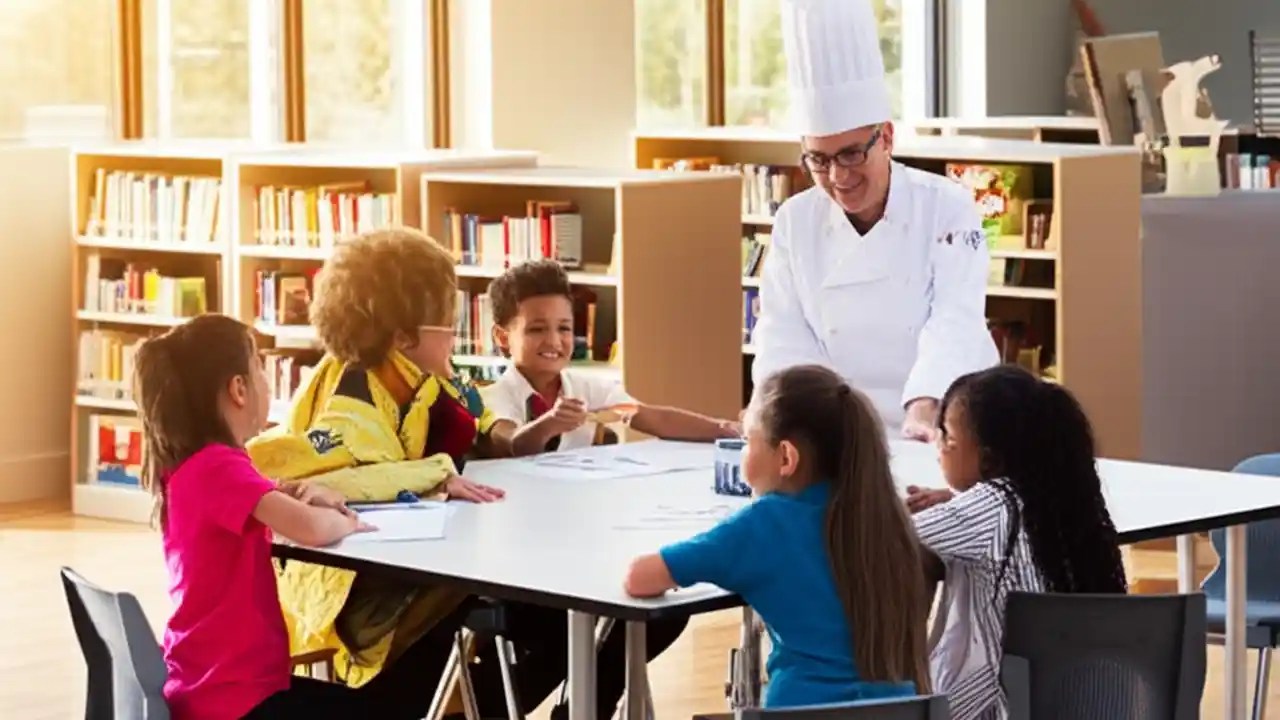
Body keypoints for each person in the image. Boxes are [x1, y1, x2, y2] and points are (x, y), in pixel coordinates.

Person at [246, 227, 518, 717]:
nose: (455, 336)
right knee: (508, 593)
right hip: (352, 589)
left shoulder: (409, 374)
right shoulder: (353, 403)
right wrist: (431, 473)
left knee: (513, 596)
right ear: (403, 336)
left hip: (390, 558)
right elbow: (304, 479)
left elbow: (475, 410)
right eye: (447, 324)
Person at [752, 0, 998, 441]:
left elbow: (955, 321)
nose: (837, 176)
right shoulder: (794, 221)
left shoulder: (948, 206)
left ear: (886, 137)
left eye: (851, 154)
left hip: (951, 424)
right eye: (819, 159)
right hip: (844, 434)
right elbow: (783, 336)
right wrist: (785, 418)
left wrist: (926, 406)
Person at [625, 365, 931, 709]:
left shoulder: (763, 525)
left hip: (800, 708)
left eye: (748, 441)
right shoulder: (888, 517)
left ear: (786, 457)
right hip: (903, 710)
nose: (744, 451)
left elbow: (641, 578)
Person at [133, 314, 380, 719]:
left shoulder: (194, 465)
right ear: (239, 389)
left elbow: (270, 502)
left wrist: (301, 496)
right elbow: (311, 529)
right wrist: (348, 520)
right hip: (235, 698)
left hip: (204, 684)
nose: (266, 381)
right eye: (260, 368)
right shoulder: (218, 466)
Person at [906, 365, 1129, 720]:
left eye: (947, 437)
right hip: (1082, 702)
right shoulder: (1060, 501)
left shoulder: (989, 507)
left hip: (1009, 706)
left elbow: (885, 536)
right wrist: (956, 502)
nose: (939, 447)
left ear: (989, 457)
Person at [480, 259, 740, 454]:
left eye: (564, 328)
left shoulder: (588, 390)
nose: (554, 341)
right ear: (502, 337)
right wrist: (549, 424)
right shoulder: (494, 397)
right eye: (537, 329)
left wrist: (727, 429)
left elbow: (654, 419)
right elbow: (511, 443)